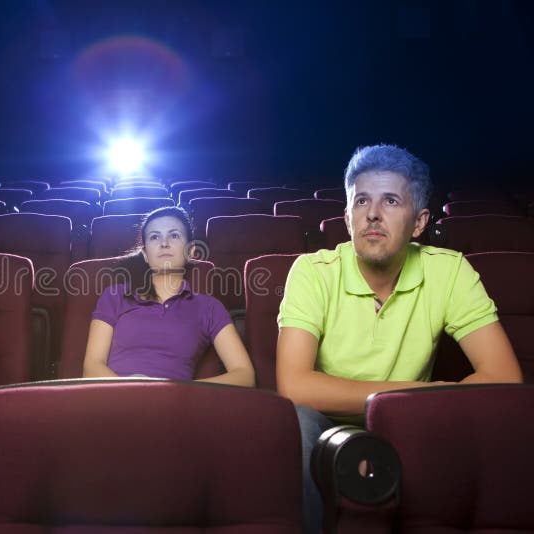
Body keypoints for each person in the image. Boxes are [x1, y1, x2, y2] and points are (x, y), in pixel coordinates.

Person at [276, 144, 523, 533]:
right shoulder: (311, 271)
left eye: (390, 200)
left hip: (414, 422)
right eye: (361, 201)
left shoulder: (450, 271)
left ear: (420, 222)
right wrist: (416, 390)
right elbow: (295, 385)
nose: (372, 213)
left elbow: (505, 378)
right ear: (347, 216)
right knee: (296, 422)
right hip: (328, 424)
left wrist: (411, 406)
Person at [83, 206, 255, 387]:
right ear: (145, 255)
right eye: (154, 237)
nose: (164, 243)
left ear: (191, 251)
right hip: (114, 400)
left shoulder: (210, 308)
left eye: (174, 235)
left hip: (177, 406)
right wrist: (134, 394)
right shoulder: (115, 295)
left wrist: (177, 394)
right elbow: (92, 367)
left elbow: (244, 375)